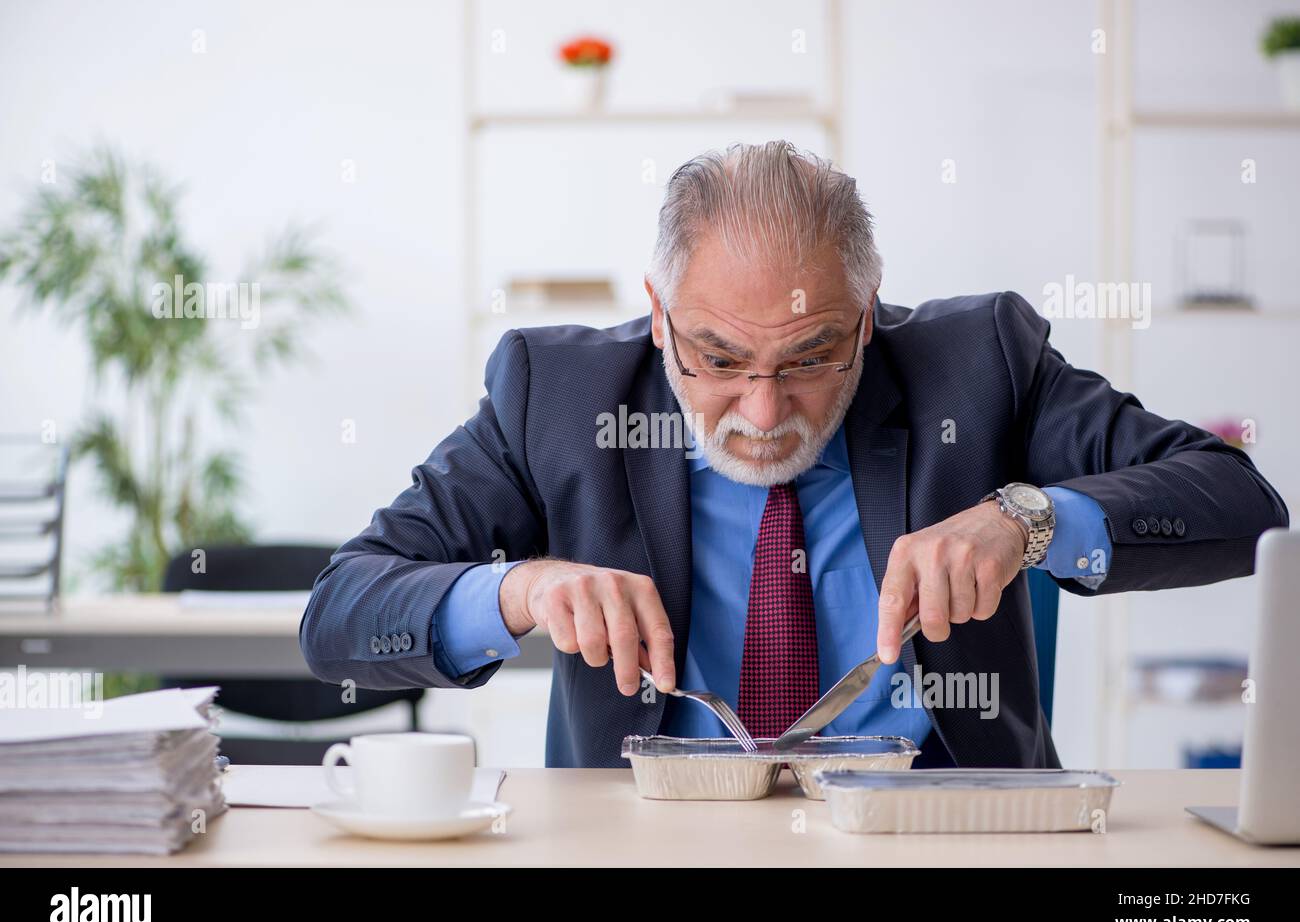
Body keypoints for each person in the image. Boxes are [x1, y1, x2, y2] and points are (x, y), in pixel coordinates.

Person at [300, 141, 1288, 768]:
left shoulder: (976, 363)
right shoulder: (554, 396)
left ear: (864, 320)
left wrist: (1028, 520)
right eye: (718, 358)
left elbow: (1238, 501)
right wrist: (521, 591)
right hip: (650, 847)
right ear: (657, 316)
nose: (763, 410)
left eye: (810, 357)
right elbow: (340, 612)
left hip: (940, 844)